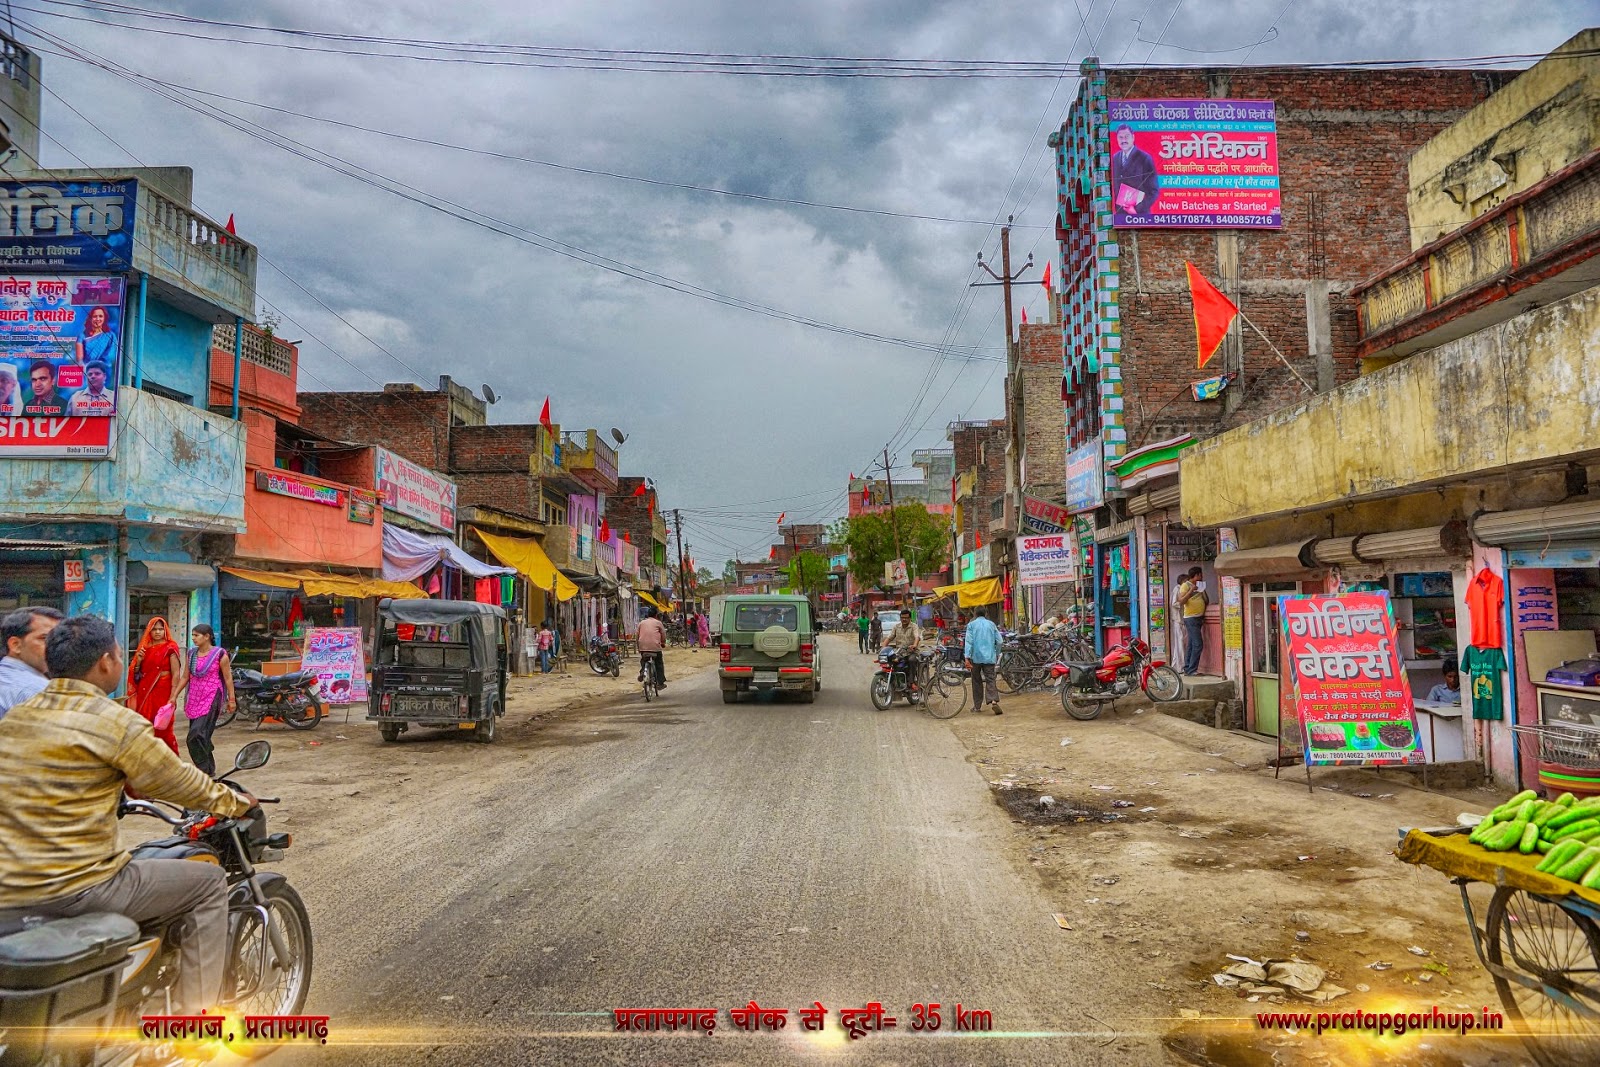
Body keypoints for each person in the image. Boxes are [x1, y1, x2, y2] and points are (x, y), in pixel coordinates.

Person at [0, 615, 255, 1014]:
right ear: (105, 662)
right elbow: (176, 781)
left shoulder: (19, 716)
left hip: (10, 885)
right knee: (207, 881)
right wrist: (236, 802)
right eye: (120, 654)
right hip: (81, 886)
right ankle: (199, 1025)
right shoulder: (116, 721)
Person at [171, 624, 235, 777]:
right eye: (192, 635)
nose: (193, 638)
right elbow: (186, 676)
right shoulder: (191, 654)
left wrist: (231, 699)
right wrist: (174, 696)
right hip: (194, 697)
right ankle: (209, 769)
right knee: (202, 735)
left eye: (196, 635)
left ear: (207, 636)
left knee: (195, 735)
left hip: (212, 696)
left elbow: (227, 677)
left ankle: (202, 770)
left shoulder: (220, 654)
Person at [127, 616, 182, 754]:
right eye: (154, 629)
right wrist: (139, 661)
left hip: (164, 691)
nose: (157, 632)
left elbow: (176, 674)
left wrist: (173, 696)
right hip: (146, 691)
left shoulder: (170, 647)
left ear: (165, 630)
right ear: (149, 631)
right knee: (145, 724)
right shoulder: (145, 649)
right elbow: (137, 674)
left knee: (163, 726)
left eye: (160, 629)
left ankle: (171, 759)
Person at [0, 606, 63, 719]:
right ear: (15, 645)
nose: (56, 646)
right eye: (45, 638)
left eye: (60, 639)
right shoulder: (38, 690)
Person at [1110, 123, 1160, 219]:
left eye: (1126, 136)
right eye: (1120, 137)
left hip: (1141, 217)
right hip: (1121, 218)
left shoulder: (1144, 158)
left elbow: (1154, 191)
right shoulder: (1115, 158)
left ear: (1133, 137)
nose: (1123, 140)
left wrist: (1136, 209)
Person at [964, 605, 1003, 716]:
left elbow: (969, 642)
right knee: (991, 679)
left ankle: (977, 706)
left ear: (975, 614)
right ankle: (994, 701)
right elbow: (1000, 641)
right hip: (989, 657)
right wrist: (996, 653)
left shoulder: (971, 625)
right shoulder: (991, 624)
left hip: (975, 657)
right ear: (986, 613)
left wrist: (967, 657)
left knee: (976, 681)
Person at [1175, 567, 1208, 676]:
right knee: (1198, 644)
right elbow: (1181, 601)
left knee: (1191, 644)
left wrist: (1202, 591)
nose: (1201, 577)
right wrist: (1191, 590)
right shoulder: (1185, 585)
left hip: (1199, 617)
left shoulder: (1200, 585)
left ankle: (1187, 668)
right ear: (1196, 575)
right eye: (1200, 575)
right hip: (1191, 618)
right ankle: (1192, 669)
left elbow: (1206, 600)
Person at [886, 609, 924, 691]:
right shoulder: (896, 627)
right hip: (900, 652)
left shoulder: (914, 626)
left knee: (912, 660)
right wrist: (883, 647)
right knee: (891, 661)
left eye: (906, 618)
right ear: (900, 618)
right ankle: (895, 681)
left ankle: (911, 682)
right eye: (902, 617)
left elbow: (917, 636)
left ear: (910, 618)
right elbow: (889, 637)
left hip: (912, 651)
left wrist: (914, 645)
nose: (904, 619)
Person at [636, 607, 666, 690]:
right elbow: (663, 635)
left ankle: (643, 672)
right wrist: (663, 643)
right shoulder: (658, 623)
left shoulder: (641, 623)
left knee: (643, 660)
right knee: (659, 663)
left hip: (643, 647)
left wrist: (639, 647)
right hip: (655, 647)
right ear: (656, 615)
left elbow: (637, 636)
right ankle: (660, 682)